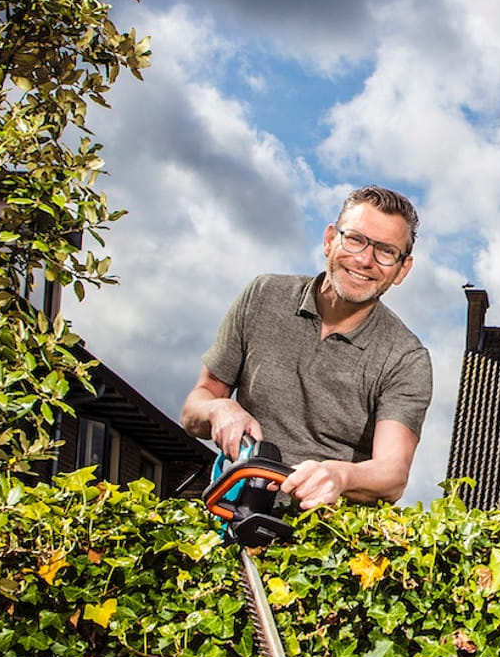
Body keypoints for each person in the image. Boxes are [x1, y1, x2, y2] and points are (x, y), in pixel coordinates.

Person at [181, 186, 432, 507]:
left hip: (330, 534)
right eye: (355, 239)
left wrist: (340, 476)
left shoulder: (406, 359)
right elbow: (193, 409)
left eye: (385, 251)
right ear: (329, 240)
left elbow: (392, 473)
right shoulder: (262, 296)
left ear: (402, 269)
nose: (365, 259)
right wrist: (219, 409)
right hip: (231, 508)